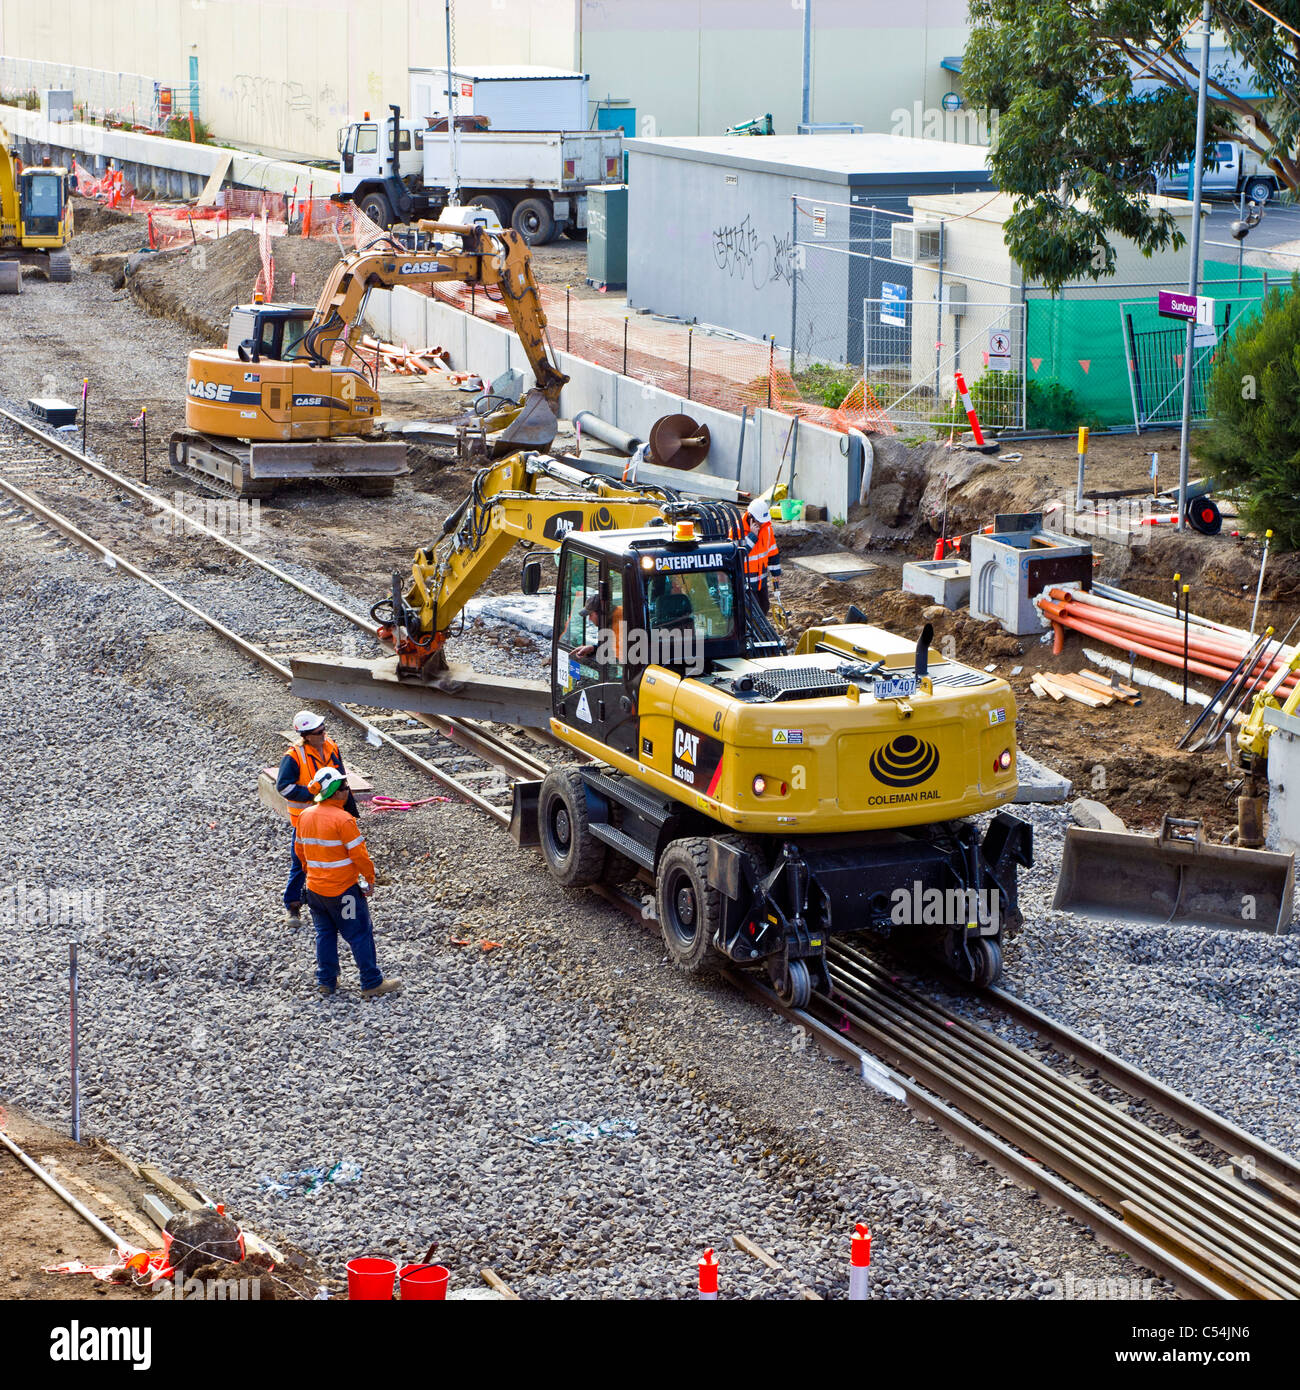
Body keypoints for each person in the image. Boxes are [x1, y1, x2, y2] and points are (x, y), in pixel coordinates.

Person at [295, 766, 402, 999]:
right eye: (345, 787)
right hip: (344, 894)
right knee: (359, 933)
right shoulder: (344, 820)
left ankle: (326, 981)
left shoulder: (305, 816)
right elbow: (360, 856)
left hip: (315, 891)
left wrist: (312, 874)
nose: (348, 790)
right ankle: (371, 982)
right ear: (336, 792)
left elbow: (300, 852)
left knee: (324, 933)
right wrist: (370, 879)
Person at [276, 711, 355, 926]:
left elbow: (341, 778)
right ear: (307, 735)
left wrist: (349, 809)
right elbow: (284, 787)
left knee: (338, 860)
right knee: (301, 863)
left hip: (332, 817)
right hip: (306, 821)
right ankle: (293, 906)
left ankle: (336, 905)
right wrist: (314, 795)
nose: (324, 734)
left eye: (323, 729)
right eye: (319, 732)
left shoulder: (331, 746)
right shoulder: (293, 757)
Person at [739, 497, 782, 613]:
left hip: (760, 580)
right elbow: (737, 555)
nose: (761, 524)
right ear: (750, 517)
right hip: (746, 582)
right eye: (759, 521)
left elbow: (772, 552)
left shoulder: (767, 529)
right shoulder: (737, 530)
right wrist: (752, 536)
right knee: (752, 612)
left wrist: (776, 573)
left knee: (764, 607)